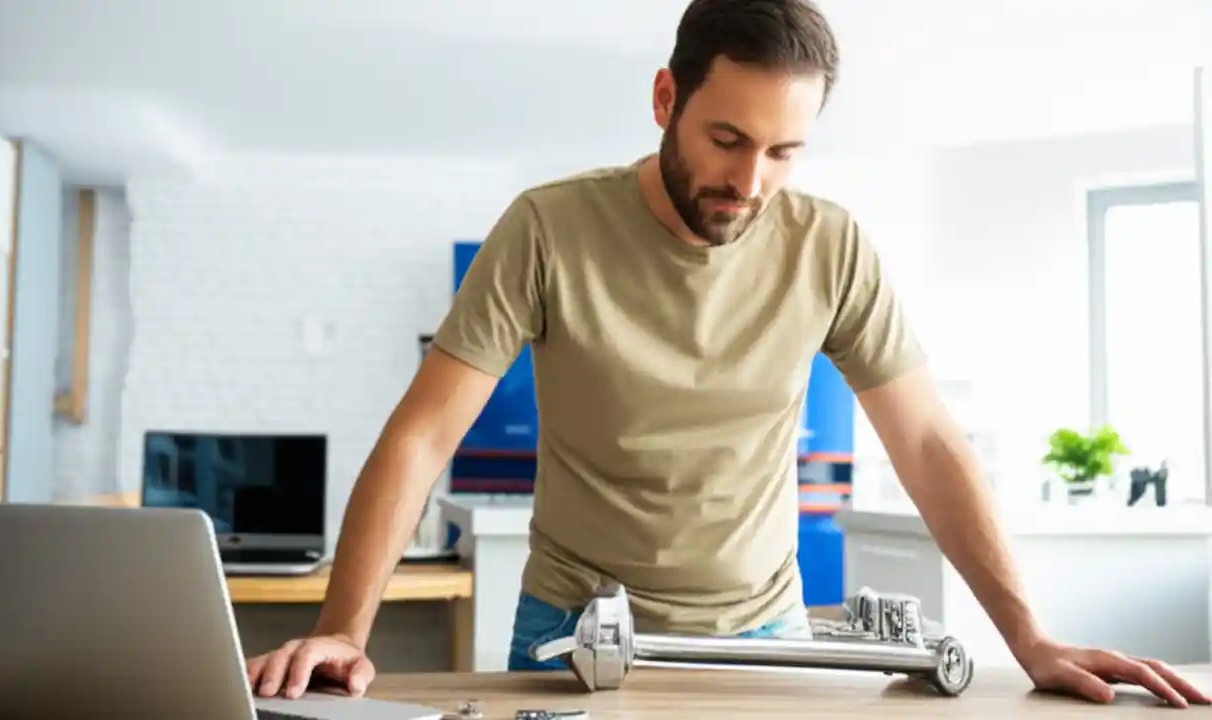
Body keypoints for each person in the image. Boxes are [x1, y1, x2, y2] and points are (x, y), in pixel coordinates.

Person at [246, 0, 1210, 708]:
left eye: (785, 152)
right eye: (727, 138)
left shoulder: (828, 245)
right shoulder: (546, 228)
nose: (751, 183)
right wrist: (344, 630)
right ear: (665, 98)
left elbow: (927, 446)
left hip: (770, 642)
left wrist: (1029, 638)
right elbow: (421, 438)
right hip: (574, 635)